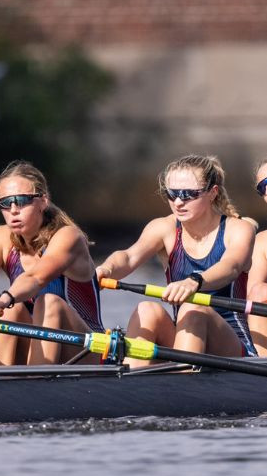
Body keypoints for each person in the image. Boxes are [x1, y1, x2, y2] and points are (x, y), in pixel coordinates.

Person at [96, 154, 256, 362]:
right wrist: (106, 269)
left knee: (192, 308)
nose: (178, 202)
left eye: (188, 194)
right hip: (185, 340)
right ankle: (130, 376)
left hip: (233, 348)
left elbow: (231, 266)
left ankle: (181, 377)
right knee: (147, 309)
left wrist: (194, 281)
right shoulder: (164, 228)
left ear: (212, 193)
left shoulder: (239, 229)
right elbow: (128, 257)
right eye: (171, 194)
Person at [0, 161, 103, 365]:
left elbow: (36, 277)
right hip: (39, 346)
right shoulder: (0, 237)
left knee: (47, 301)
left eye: (21, 201)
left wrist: (3, 299)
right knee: (8, 311)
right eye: (5, 203)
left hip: (88, 351)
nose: (13, 210)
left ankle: (35, 379)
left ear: (43, 201)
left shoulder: (68, 236)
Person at [246, 158, 267, 355]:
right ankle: (262, 363)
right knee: (260, 292)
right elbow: (253, 296)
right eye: (264, 186)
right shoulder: (262, 242)